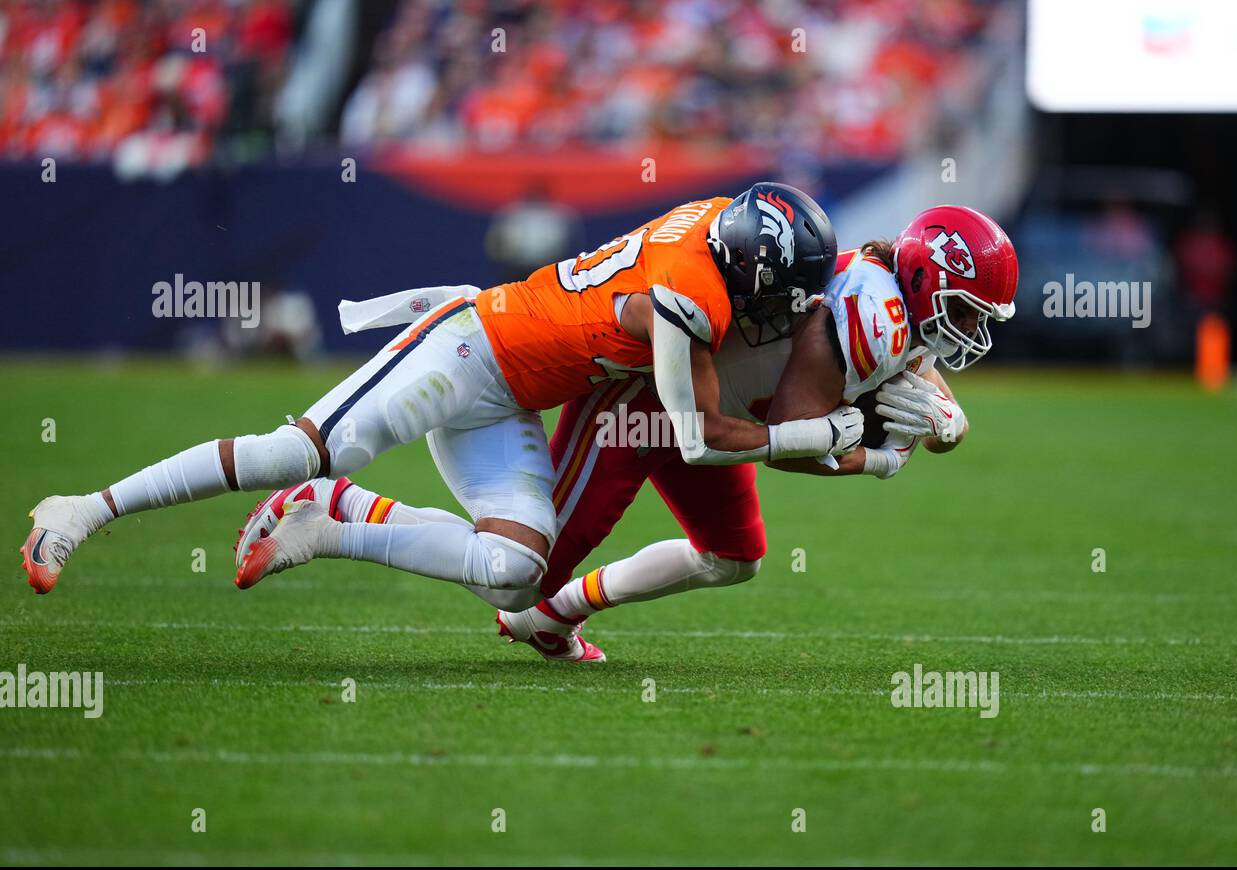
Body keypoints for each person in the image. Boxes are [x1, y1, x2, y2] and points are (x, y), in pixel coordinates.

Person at [23, 184, 858, 618]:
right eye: (785, 293)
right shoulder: (690, 297)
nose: (789, 311)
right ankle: (84, 508)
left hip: (513, 399)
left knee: (515, 576)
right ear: (753, 267)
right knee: (299, 447)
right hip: (471, 350)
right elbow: (699, 436)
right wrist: (827, 437)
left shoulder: (718, 228)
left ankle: (333, 518)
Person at [234, 206, 1019, 662]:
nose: (971, 332)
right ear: (919, 281)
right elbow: (793, 442)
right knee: (510, 574)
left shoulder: (892, 306)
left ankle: (556, 618)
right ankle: (340, 505)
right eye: (968, 309)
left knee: (732, 558)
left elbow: (907, 381)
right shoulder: (867, 318)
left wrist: (941, 429)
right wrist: (874, 459)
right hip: (644, 402)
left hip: (713, 413)